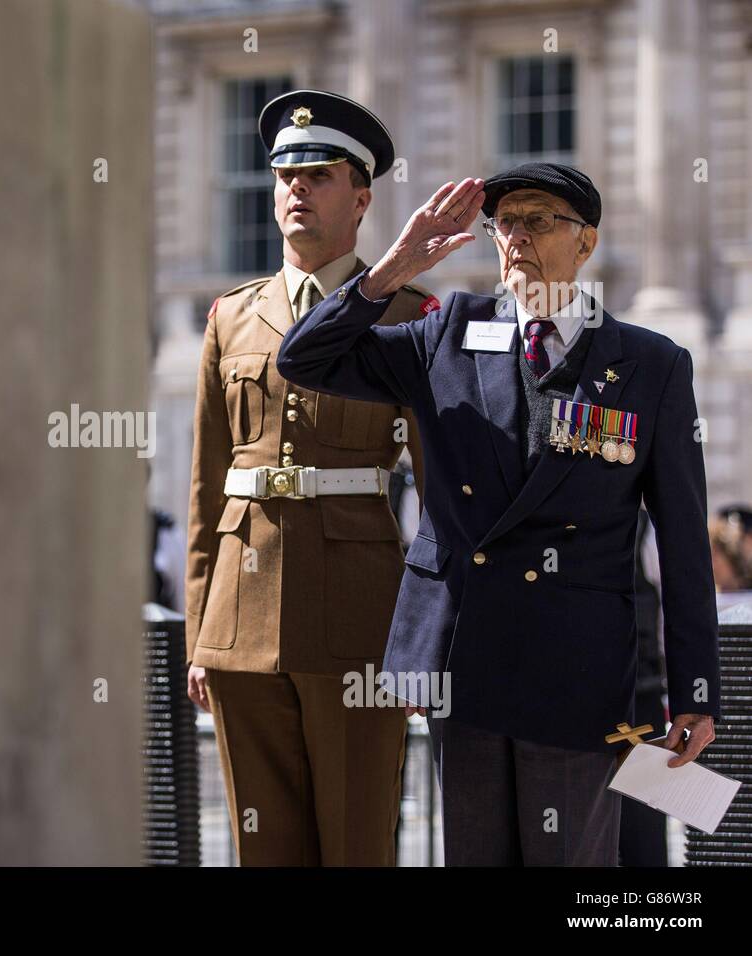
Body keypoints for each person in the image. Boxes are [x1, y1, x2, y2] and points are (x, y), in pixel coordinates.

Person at [276, 166, 721, 865]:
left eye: (539, 220)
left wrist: (695, 690)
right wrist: (391, 268)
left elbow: (685, 539)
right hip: (467, 658)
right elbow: (303, 359)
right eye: (504, 223)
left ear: (586, 242)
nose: (516, 238)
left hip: (580, 670)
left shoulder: (648, 363)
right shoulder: (447, 332)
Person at [184, 90, 432, 866]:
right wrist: (199, 634)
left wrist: (426, 640)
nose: (296, 189)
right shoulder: (231, 316)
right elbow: (204, 484)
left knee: (358, 844)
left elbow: (444, 503)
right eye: (285, 176)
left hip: (359, 617)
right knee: (263, 850)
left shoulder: (410, 317)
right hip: (238, 619)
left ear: (360, 198)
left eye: (318, 175)